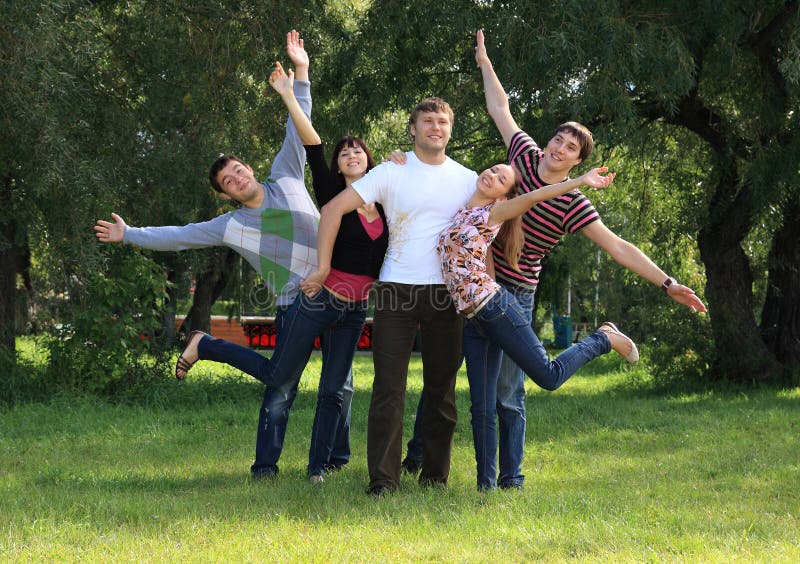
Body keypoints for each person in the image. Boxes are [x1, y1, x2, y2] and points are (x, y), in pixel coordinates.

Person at [402, 29, 708, 487]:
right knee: (455, 383)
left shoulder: (573, 203)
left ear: (577, 160)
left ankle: (512, 480)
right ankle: (420, 459)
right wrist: (485, 63)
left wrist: (667, 283)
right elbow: (500, 109)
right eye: (557, 140)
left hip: (515, 295)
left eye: (570, 148)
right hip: (475, 289)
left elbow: (618, 246)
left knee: (508, 393)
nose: (558, 148)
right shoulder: (522, 157)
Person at [94, 31, 353, 481]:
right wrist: (130, 233)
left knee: (342, 385)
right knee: (280, 389)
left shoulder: (287, 175)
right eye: (227, 182)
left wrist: (302, 72)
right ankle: (265, 467)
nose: (235, 178)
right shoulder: (229, 225)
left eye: (237, 170)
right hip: (296, 304)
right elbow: (178, 236)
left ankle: (334, 460)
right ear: (224, 193)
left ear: (248, 168)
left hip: (339, 290)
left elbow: (301, 124)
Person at [303, 97, 480, 495]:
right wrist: (323, 268)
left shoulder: (467, 179)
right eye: (428, 121)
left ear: (450, 130)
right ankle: (383, 480)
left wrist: (480, 290)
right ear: (413, 129)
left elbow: (486, 230)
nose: (436, 127)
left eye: (442, 122)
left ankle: (435, 476)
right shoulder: (388, 171)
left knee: (442, 388)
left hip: (447, 294)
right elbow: (332, 211)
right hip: (395, 290)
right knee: (388, 389)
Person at [437, 162, 640, 489]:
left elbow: (537, 196)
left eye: (501, 178)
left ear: (505, 193)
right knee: (482, 408)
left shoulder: (494, 213)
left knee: (548, 375)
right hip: (472, 318)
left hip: (496, 309)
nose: (492, 175)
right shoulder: (459, 211)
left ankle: (603, 338)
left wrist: (579, 181)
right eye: (492, 170)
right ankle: (486, 490)